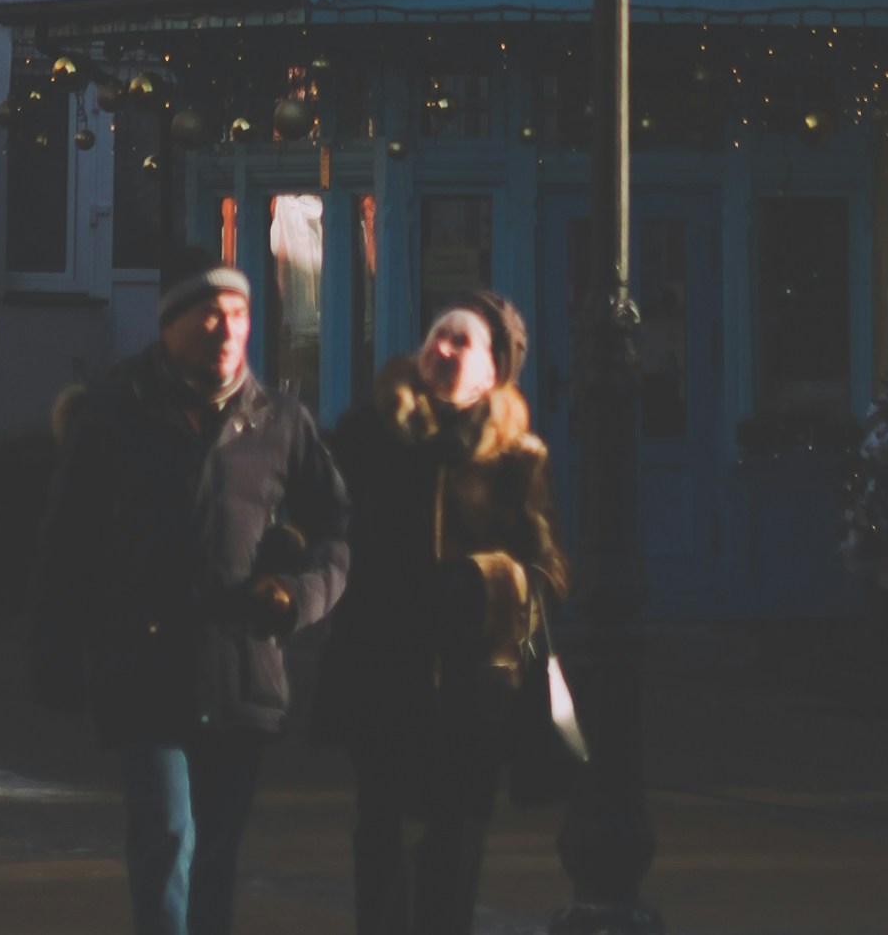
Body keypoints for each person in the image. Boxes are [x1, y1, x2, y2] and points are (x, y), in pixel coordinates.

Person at [30, 258, 350, 935]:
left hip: (242, 666)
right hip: (146, 664)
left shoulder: (281, 421)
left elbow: (339, 527)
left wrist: (301, 596)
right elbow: (66, 542)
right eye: (207, 313)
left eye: (237, 314)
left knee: (218, 853)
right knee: (166, 838)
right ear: (169, 324)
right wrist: (56, 650)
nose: (224, 328)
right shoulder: (115, 411)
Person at [314, 289, 568, 935]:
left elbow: (547, 575)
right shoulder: (366, 431)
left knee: (456, 840)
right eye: (438, 334)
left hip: (475, 682)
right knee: (383, 830)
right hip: (382, 667)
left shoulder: (519, 456)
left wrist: (484, 581)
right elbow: (323, 526)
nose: (443, 348)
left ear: (492, 371)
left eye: (462, 342)